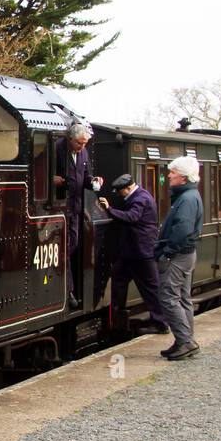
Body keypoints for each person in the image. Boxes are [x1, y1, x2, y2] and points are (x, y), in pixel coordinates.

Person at [97, 173, 168, 335]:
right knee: (118, 278)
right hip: (131, 252)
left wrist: (109, 209)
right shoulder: (141, 195)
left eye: (120, 192)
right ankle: (117, 319)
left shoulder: (139, 199)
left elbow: (132, 217)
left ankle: (160, 323)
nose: (120, 195)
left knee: (150, 288)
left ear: (128, 188)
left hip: (142, 253)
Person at [154, 156, 204, 361]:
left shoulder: (187, 199)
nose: (169, 175)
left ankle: (185, 341)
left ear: (183, 177)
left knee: (168, 296)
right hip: (186, 253)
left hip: (178, 255)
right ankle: (184, 339)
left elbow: (183, 228)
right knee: (183, 298)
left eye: (173, 172)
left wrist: (168, 252)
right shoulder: (190, 196)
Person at [54, 120, 104, 308]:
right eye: (79, 143)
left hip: (75, 208)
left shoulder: (82, 152)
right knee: (65, 249)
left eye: (85, 144)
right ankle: (68, 291)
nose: (82, 147)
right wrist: (52, 180)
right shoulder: (58, 149)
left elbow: (86, 176)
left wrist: (94, 181)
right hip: (60, 207)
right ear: (70, 139)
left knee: (72, 245)